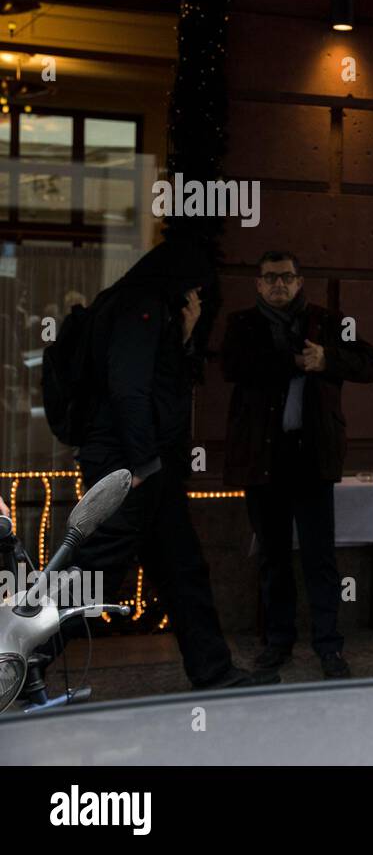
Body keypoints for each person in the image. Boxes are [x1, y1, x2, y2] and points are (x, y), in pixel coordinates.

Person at [66, 239, 264, 689]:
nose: (197, 296)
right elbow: (130, 389)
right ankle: (20, 662)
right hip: (132, 469)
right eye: (194, 287)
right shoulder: (142, 306)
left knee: (182, 569)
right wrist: (138, 467)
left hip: (148, 468)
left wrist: (186, 335)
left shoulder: (143, 306)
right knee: (94, 577)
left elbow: (155, 382)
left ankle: (214, 671)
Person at [221, 250, 373, 679]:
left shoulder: (328, 322)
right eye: (270, 278)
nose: (278, 284)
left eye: (286, 277)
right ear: (258, 284)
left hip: (312, 459)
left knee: (319, 558)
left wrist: (327, 359)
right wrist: (294, 361)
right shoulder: (242, 325)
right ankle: (278, 643)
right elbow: (234, 366)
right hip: (263, 461)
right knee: (273, 558)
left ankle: (329, 645)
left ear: (299, 281)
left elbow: (371, 364)